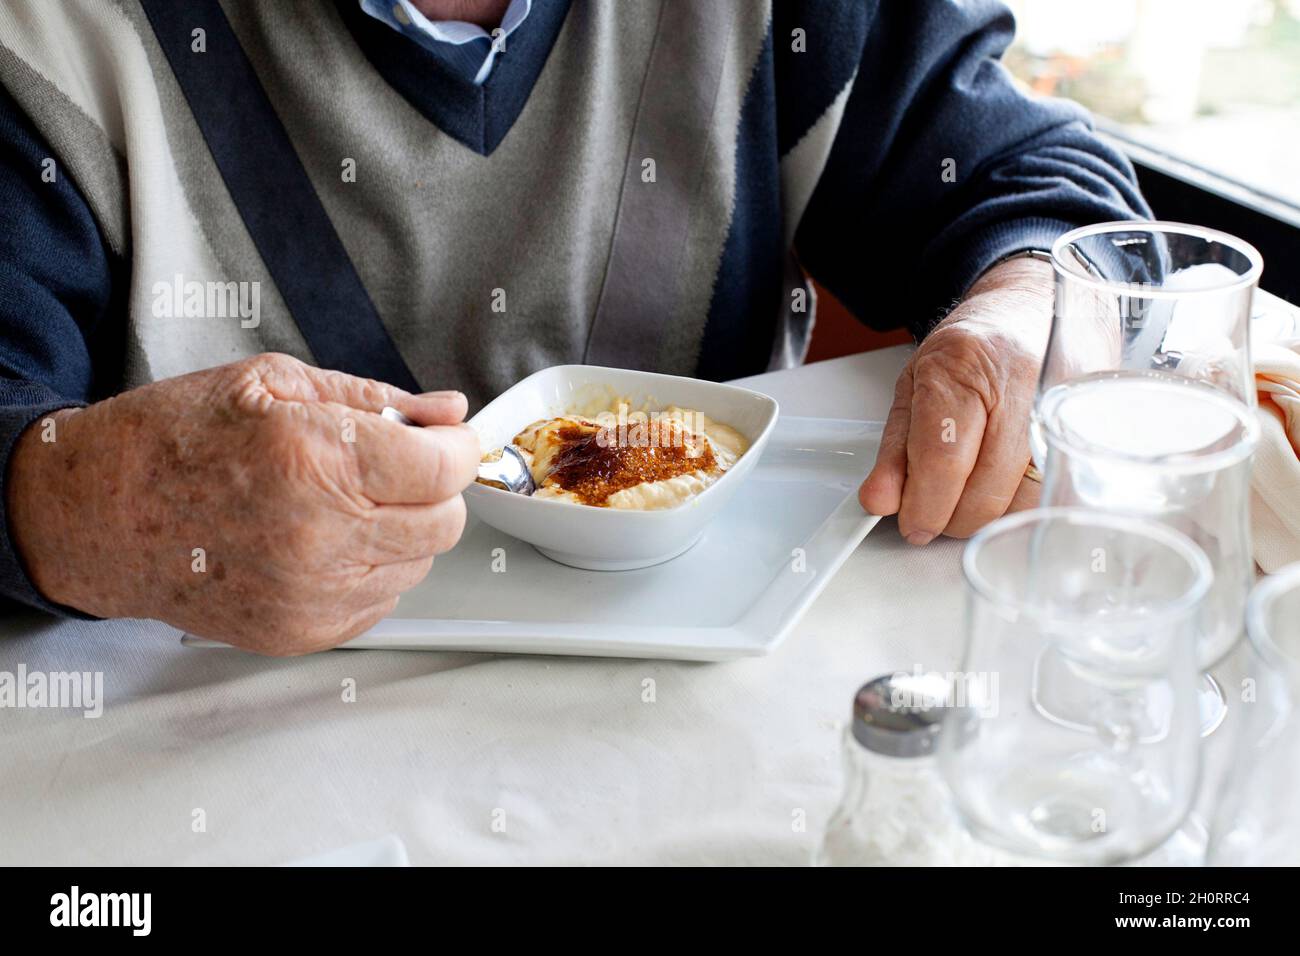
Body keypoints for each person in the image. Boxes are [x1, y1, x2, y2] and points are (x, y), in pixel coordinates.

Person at [0, 0, 1149, 654]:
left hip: (714, 752)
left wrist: (1013, 315)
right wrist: (109, 507)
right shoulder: (44, 34)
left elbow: (1044, 188)